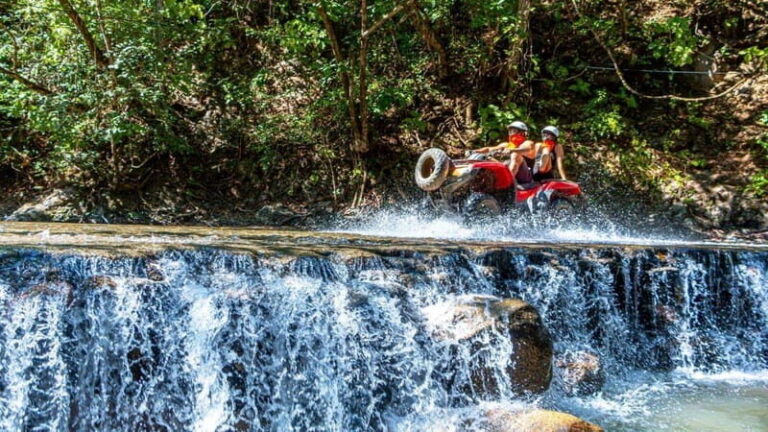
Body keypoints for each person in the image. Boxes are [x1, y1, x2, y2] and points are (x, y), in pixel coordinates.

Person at [472, 121, 536, 184]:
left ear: (522, 133)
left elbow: (526, 149)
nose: (511, 133)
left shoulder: (528, 143)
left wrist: (512, 150)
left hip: (525, 177)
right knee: (486, 158)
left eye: (514, 131)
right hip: (508, 170)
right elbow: (489, 149)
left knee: (515, 154)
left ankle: (507, 183)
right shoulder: (506, 145)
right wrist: (475, 151)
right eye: (510, 131)